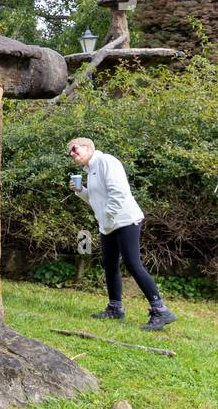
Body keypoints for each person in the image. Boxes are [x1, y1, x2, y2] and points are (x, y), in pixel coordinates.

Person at [67, 137, 178, 331]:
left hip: (125, 220)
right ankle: (115, 308)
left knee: (133, 263)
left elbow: (118, 192)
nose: (72, 153)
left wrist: (108, 217)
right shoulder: (91, 170)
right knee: (109, 265)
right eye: (70, 151)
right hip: (109, 225)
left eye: (75, 149)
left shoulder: (106, 162)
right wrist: (80, 191)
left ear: (88, 147)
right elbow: (96, 200)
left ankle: (161, 310)